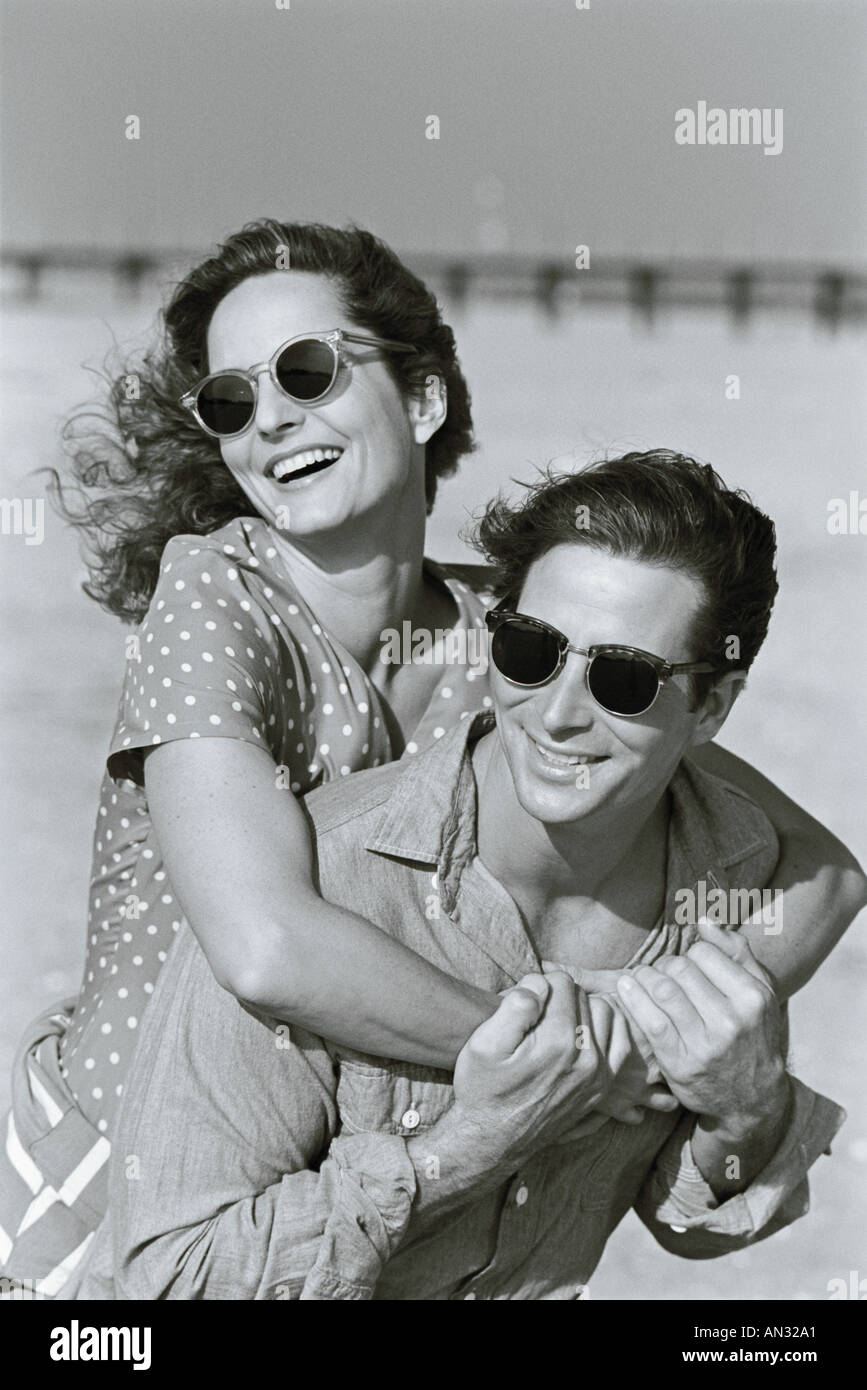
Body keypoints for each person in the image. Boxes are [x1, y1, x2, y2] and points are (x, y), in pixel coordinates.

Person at [0, 221, 862, 1294]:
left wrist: (676, 1035)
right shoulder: (213, 601)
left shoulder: (511, 638)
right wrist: (573, 1061)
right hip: (121, 1160)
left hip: (342, 1152)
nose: (270, 417)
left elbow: (821, 870)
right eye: (230, 400)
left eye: (306, 372)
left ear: (421, 399)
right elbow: (265, 947)